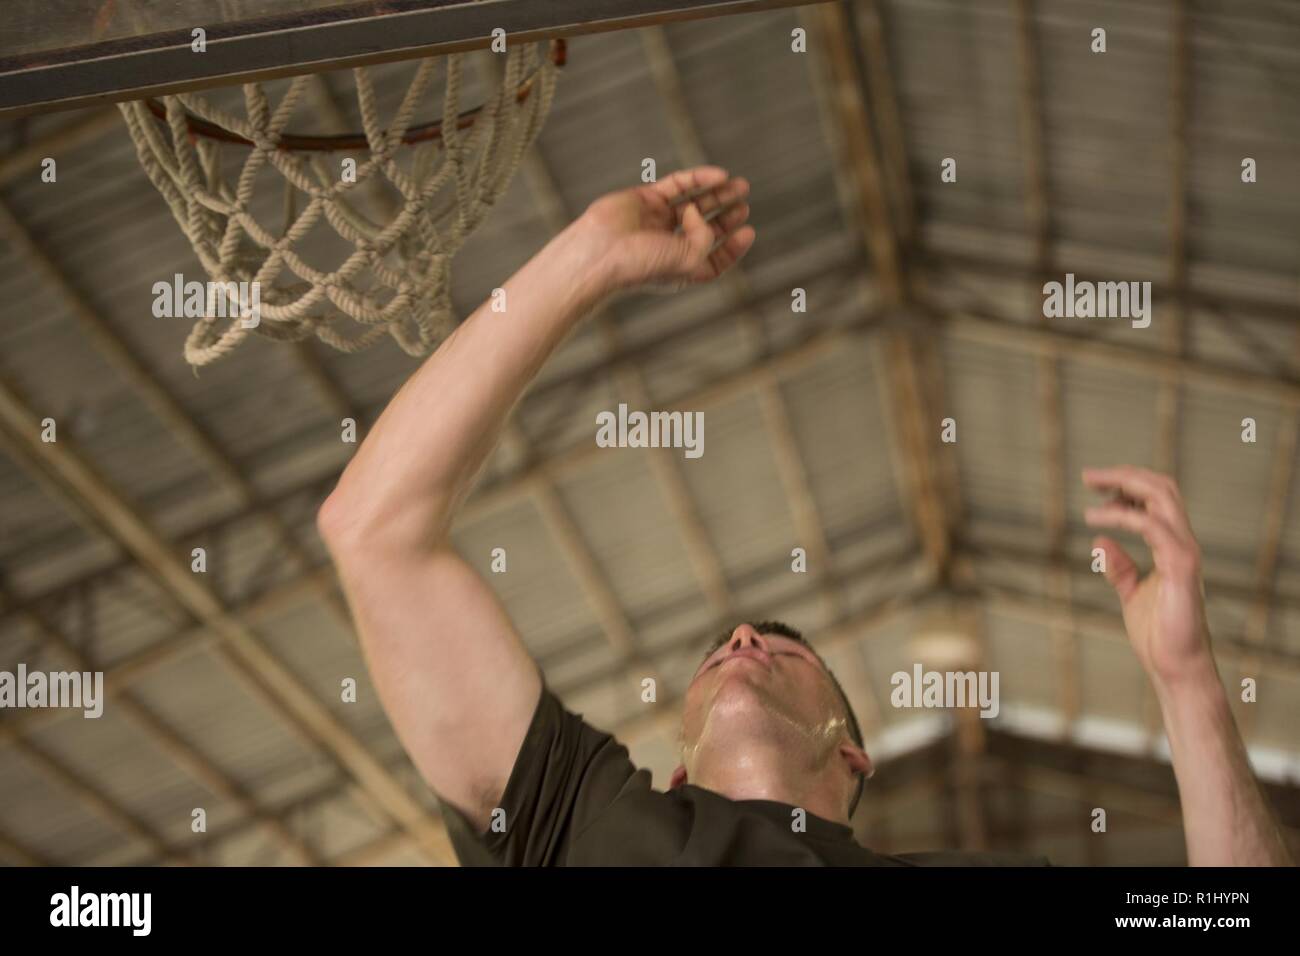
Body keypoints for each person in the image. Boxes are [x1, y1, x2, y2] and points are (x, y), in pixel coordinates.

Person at [317, 167, 1292, 866]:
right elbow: (375, 530)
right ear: (670, 774)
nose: (742, 636)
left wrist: (1187, 679)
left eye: (780, 648)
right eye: (730, 646)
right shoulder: (574, 814)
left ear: (853, 753)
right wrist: (583, 260)